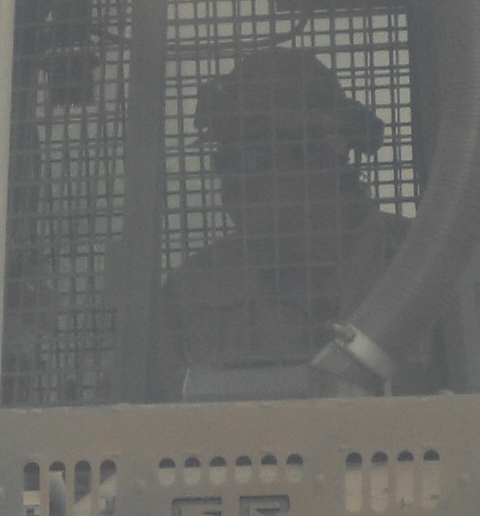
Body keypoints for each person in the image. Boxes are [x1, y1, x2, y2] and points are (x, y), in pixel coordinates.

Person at [162, 43, 410, 385]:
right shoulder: (190, 292)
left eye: (250, 156)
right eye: (223, 160)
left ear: (321, 155)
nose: (231, 179)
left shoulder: (431, 265)